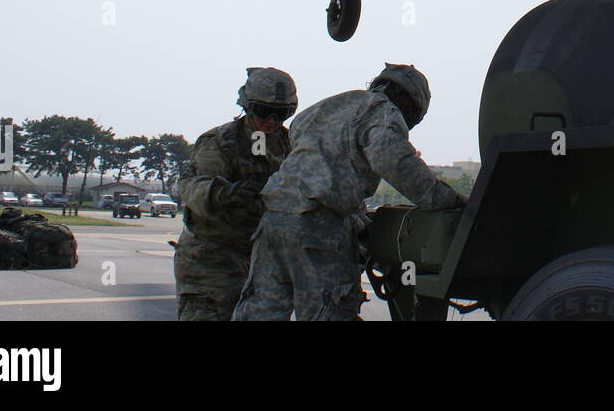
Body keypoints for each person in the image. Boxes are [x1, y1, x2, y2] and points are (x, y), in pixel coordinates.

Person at [233, 63, 464, 321]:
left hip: (273, 223)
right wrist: (448, 199)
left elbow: (317, 171)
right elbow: (393, 161)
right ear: (409, 102)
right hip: (318, 231)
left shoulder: (323, 109)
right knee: (328, 313)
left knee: (261, 312)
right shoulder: (381, 111)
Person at [173, 67, 296, 320]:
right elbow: (191, 186)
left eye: (281, 113)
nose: (272, 120)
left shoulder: (292, 144)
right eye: (264, 111)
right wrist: (222, 194)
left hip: (264, 260)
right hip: (211, 260)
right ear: (248, 107)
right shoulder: (220, 141)